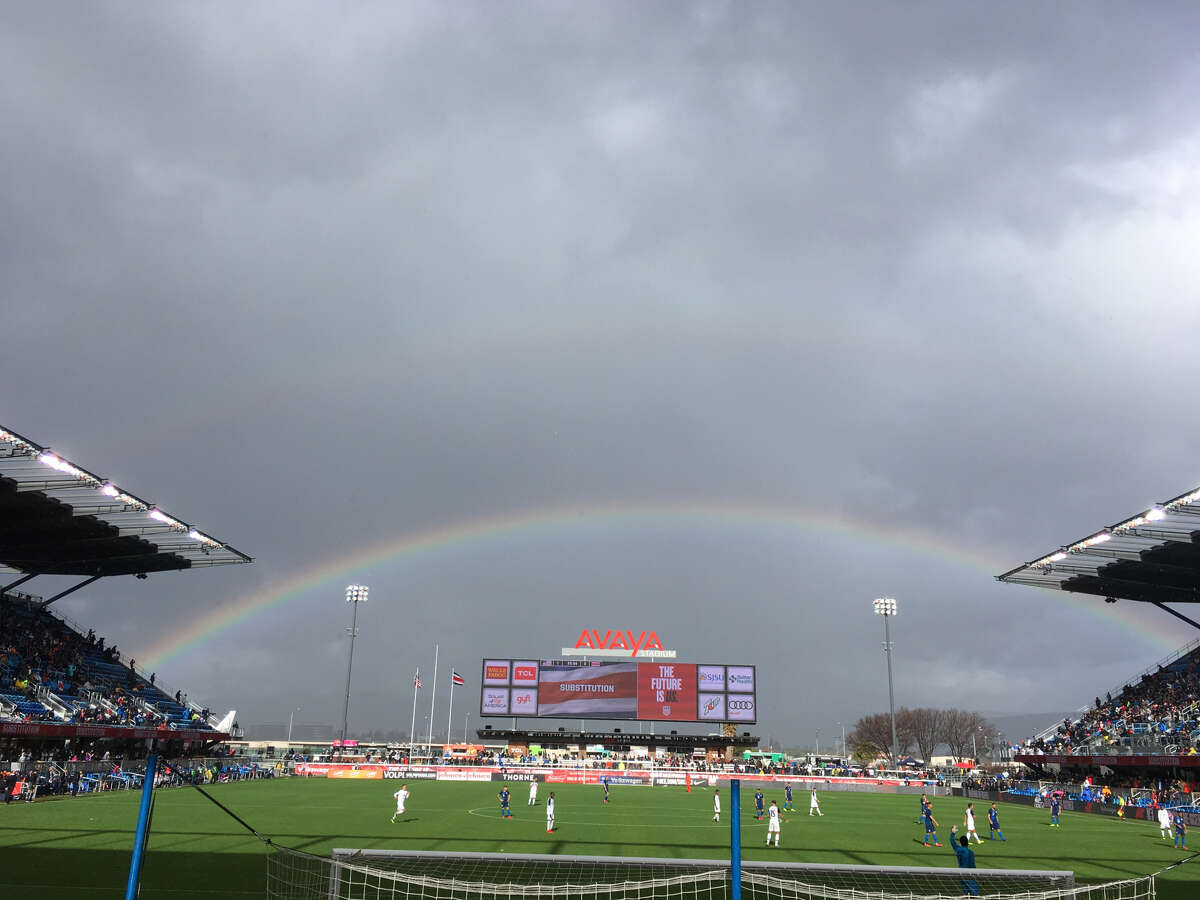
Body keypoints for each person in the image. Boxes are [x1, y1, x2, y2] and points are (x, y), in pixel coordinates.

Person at [949, 827, 979, 896]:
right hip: (970, 874)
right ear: (967, 843)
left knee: (966, 894)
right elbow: (972, 865)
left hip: (961, 874)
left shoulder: (958, 850)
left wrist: (953, 833)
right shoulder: (970, 852)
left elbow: (952, 842)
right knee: (974, 895)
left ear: (960, 842)